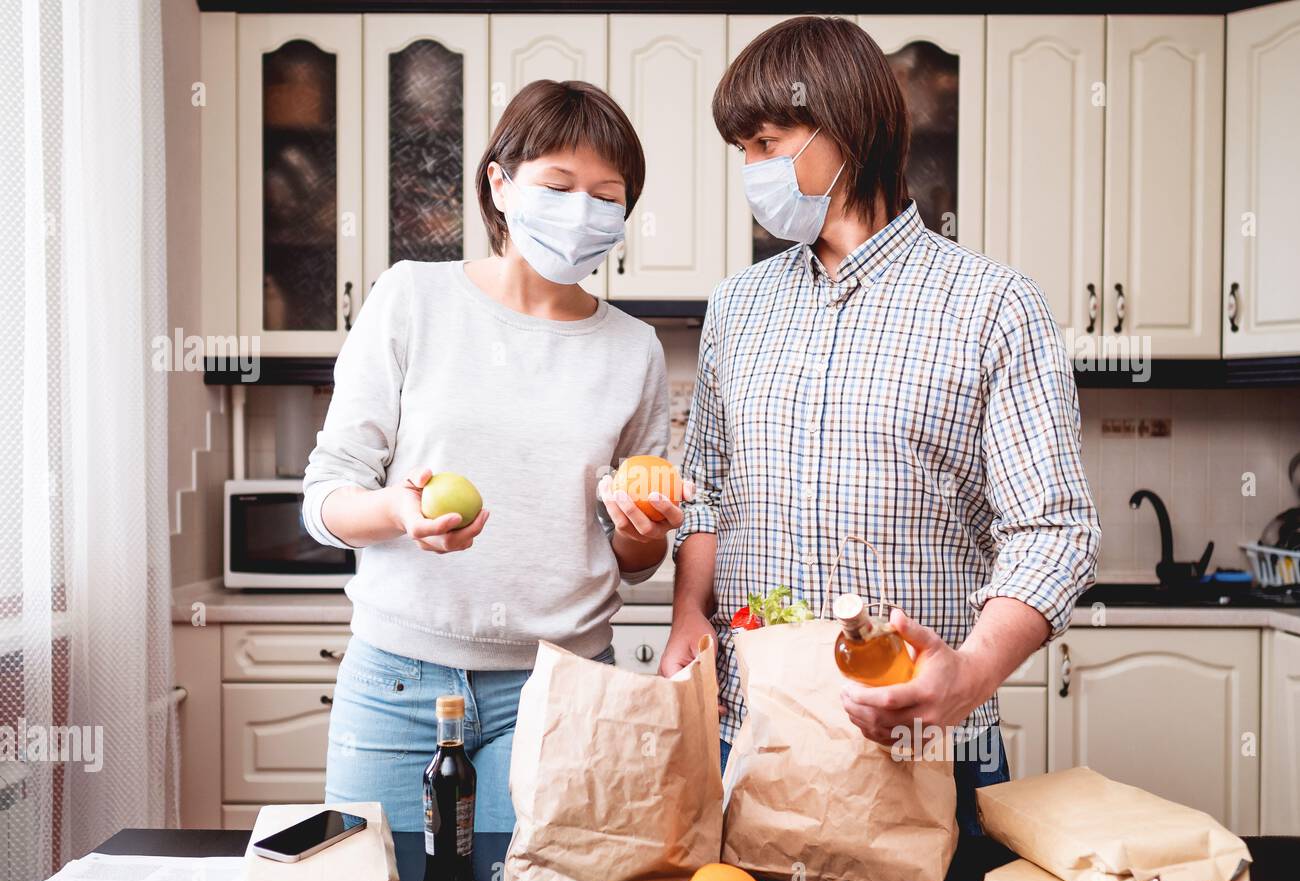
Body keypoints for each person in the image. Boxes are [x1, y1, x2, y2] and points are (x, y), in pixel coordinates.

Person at [661, 16, 1101, 835]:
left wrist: (969, 673)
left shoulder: (994, 306)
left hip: (924, 740)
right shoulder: (737, 306)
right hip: (752, 733)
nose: (752, 170)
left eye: (766, 141)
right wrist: (690, 612)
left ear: (847, 129)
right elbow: (709, 493)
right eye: (743, 151)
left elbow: (1055, 531)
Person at [303, 80, 686, 833]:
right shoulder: (411, 299)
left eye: (607, 197)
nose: (583, 211)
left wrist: (642, 529)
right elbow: (327, 497)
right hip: (396, 683)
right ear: (499, 183)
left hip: (562, 682)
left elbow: (638, 559)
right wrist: (398, 512)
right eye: (558, 184)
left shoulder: (634, 349)